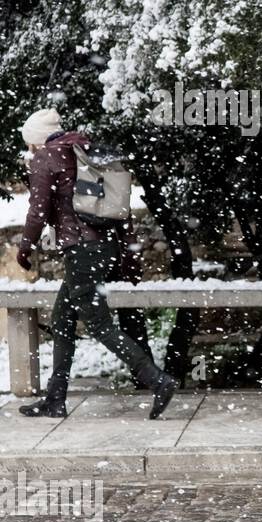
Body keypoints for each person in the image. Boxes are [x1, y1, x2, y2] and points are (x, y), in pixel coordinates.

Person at [14, 108, 178, 419]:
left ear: (35, 139)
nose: (29, 149)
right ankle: (55, 399)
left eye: (29, 143)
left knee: (99, 323)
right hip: (102, 246)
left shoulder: (46, 157)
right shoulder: (78, 150)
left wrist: (25, 247)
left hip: (82, 249)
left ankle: (157, 380)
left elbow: (37, 211)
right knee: (62, 321)